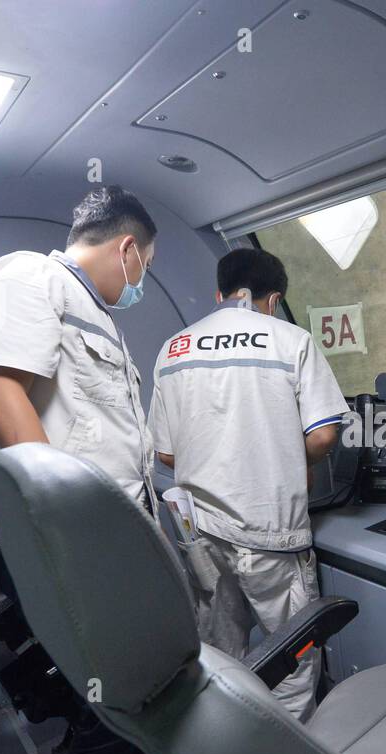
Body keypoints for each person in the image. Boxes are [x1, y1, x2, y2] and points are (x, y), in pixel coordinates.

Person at [0, 185, 199, 754]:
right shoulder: (27, 275)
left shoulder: (88, 313)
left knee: (137, 679)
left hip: (100, 542)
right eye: (146, 266)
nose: (140, 283)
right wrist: (61, 531)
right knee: (111, 694)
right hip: (62, 544)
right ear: (128, 248)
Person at [148, 248, 347, 721]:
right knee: (293, 661)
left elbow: (166, 453)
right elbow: (322, 434)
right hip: (270, 532)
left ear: (220, 294)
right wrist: (280, 460)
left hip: (202, 535)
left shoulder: (174, 349)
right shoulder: (289, 341)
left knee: (219, 655)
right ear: (272, 299)